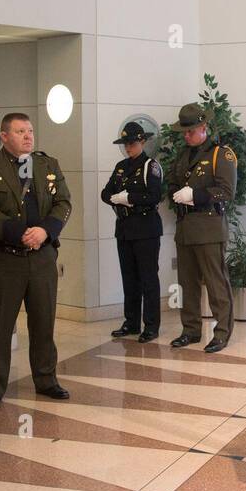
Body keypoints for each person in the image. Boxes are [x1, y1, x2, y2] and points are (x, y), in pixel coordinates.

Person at [0, 113, 71, 410]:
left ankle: (46, 379)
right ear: (4, 136)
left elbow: (64, 201)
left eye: (30, 130)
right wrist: (19, 233)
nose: (28, 136)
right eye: (19, 131)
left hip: (41, 255)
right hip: (4, 257)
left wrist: (45, 231)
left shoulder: (47, 164)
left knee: (43, 321)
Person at [166, 103, 237, 353]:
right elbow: (172, 182)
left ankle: (222, 332)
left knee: (216, 283)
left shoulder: (221, 154)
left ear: (203, 127)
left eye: (190, 131)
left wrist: (195, 194)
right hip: (186, 227)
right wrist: (176, 194)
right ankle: (191, 330)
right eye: (184, 132)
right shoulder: (183, 154)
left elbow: (226, 192)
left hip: (209, 227)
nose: (186, 136)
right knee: (187, 283)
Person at [101, 122, 164, 343]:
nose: (129, 148)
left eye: (133, 144)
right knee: (129, 279)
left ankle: (152, 325)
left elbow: (155, 196)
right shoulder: (121, 166)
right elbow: (105, 193)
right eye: (126, 144)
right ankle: (131, 322)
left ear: (143, 142)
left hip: (146, 229)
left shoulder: (151, 166)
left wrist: (128, 198)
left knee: (148, 279)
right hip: (125, 229)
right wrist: (116, 199)